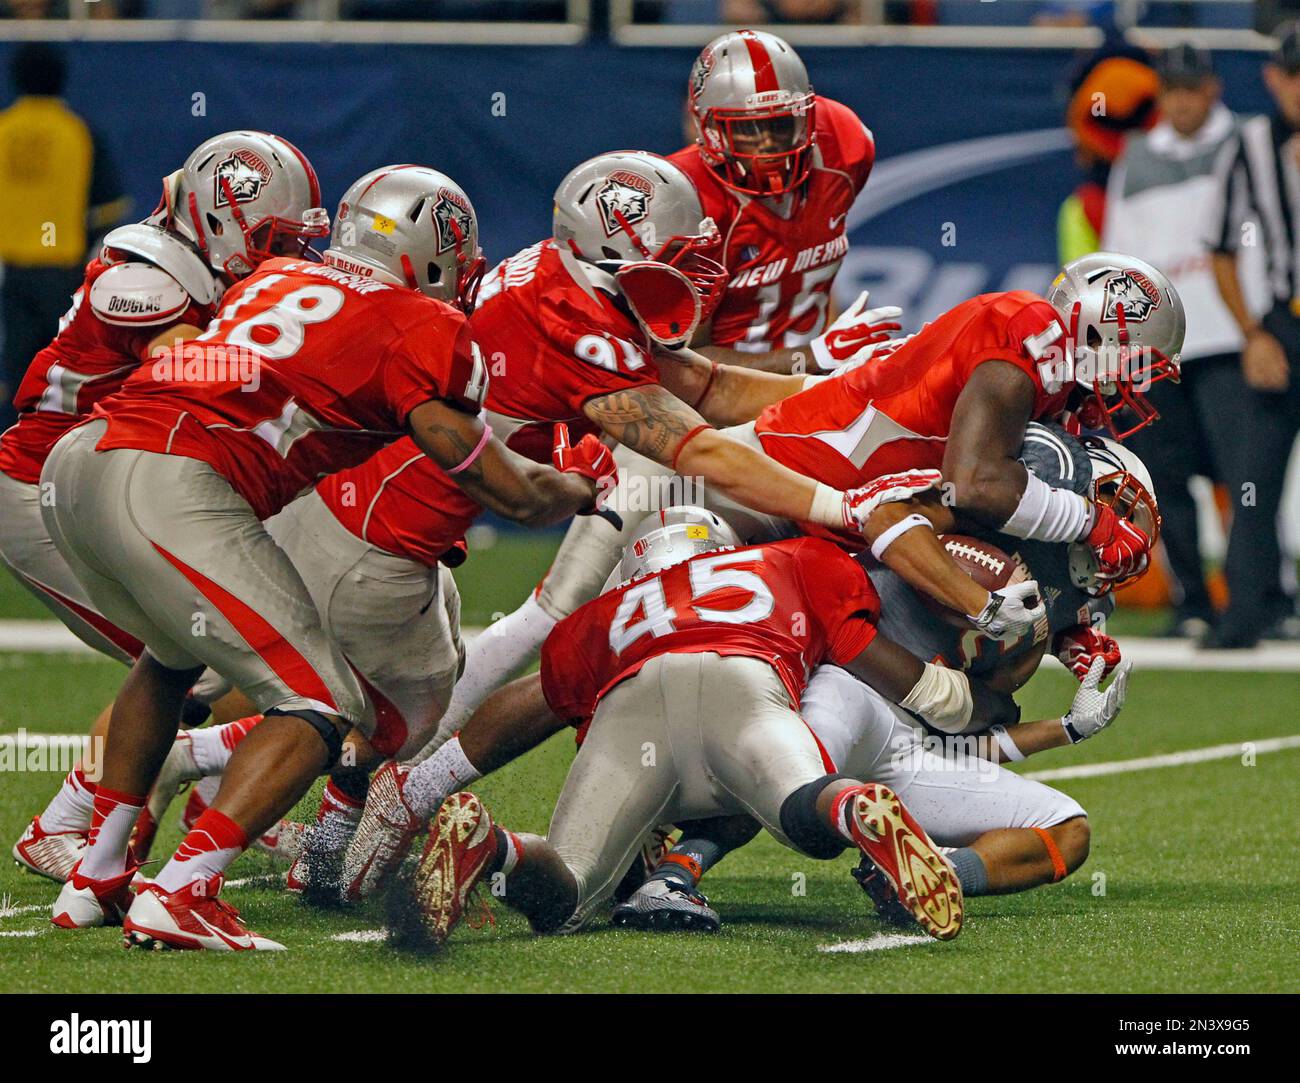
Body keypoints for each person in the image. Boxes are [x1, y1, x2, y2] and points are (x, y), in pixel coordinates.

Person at [42, 164, 617, 951]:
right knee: (322, 705)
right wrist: (576, 488)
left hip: (80, 462)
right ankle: (180, 888)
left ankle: (98, 872)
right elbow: (503, 487)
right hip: (173, 478)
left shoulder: (276, 274)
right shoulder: (424, 324)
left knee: (169, 659)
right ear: (438, 256)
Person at [397, 506, 1123, 947]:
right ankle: (849, 810)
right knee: (798, 800)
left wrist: (426, 780)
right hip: (758, 684)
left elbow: (533, 707)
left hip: (633, 700)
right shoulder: (793, 560)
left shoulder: (601, 617)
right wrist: (993, 697)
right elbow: (871, 658)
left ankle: (493, 846)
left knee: (574, 887)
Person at [3, 131, 324, 883]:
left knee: (197, 649)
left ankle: (200, 797)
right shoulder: (151, 281)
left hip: (98, 480)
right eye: (274, 238)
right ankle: (68, 818)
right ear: (219, 221)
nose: (284, 255)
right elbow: (191, 369)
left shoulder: (188, 249)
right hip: (39, 493)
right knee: (201, 656)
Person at [1104, 44, 1262, 641]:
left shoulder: (1247, 142)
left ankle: (1260, 598)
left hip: (1230, 336)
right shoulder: (1137, 155)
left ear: (1213, 89)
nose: (1182, 99)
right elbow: (1123, 257)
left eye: (1191, 88)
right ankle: (1192, 600)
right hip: (1159, 349)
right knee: (1167, 478)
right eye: (1171, 89)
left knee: (1245, 476)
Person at [1207, 21, 1300, 648]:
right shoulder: (1251, 145)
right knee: (1254, 475)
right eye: (1294, 75)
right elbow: (1220, 248)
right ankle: (1249, 610)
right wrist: (1251, 333)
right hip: (1284, 325)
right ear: (1273, 78)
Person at [0, 43, 128, 429]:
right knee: (63, 372)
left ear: (16, 79)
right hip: (63, 275)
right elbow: (112, 206)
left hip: (12, 274)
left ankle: (11, 451)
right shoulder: (79, 131)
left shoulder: (4, 129)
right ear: (62, 80)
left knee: (15, 375)